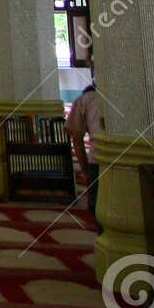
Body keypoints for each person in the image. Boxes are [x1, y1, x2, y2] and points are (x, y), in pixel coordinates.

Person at [65, 77, 104, 231]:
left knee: (98, 207)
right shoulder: (88, 99)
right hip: (102, 159)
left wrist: (85, 170)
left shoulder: (86, 99)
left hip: (98, 160)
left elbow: (76, 138)